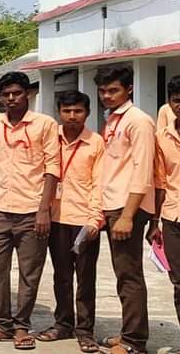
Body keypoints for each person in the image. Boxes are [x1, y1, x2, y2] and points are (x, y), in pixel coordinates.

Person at [0, 72, 60, 349]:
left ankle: (22, 326)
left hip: (32, 211)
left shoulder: (44, 124)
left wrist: (44, 209)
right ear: (0, 97)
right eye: (7, 94)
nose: (12, 99)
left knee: (29, 273)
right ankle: (0, 324)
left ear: (28, 95)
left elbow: (52, 168)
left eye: (17, 93)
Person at [36, 90, 104, 353]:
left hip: (85, 219)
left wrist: (95, 220)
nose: (72, 116)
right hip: (56, 218)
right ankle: (63, 323)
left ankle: (85, 330)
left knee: (86, 278)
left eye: (78, 111)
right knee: (61, 276)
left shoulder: (96, 143)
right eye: (67, 111)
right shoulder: (51, 139)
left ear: (87, 113)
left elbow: (100, 184)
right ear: (59, 112)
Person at [94, 66, 155, 354]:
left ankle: (134, 343)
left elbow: (143, 171)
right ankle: (128, 333)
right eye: (103, 91)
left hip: (127, 206)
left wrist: (128, 216)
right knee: (122, 274)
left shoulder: (138, 121)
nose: (107, 96)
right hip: (112, 203)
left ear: (129, 89)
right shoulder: (113, 120)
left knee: (129, 275)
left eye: (113, 90)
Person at [154, 76, 180, 334]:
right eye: (176, 100)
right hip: (173, 218)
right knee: (179, 283)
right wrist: (154, 222)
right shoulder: (162, 138)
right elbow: (160, 181)